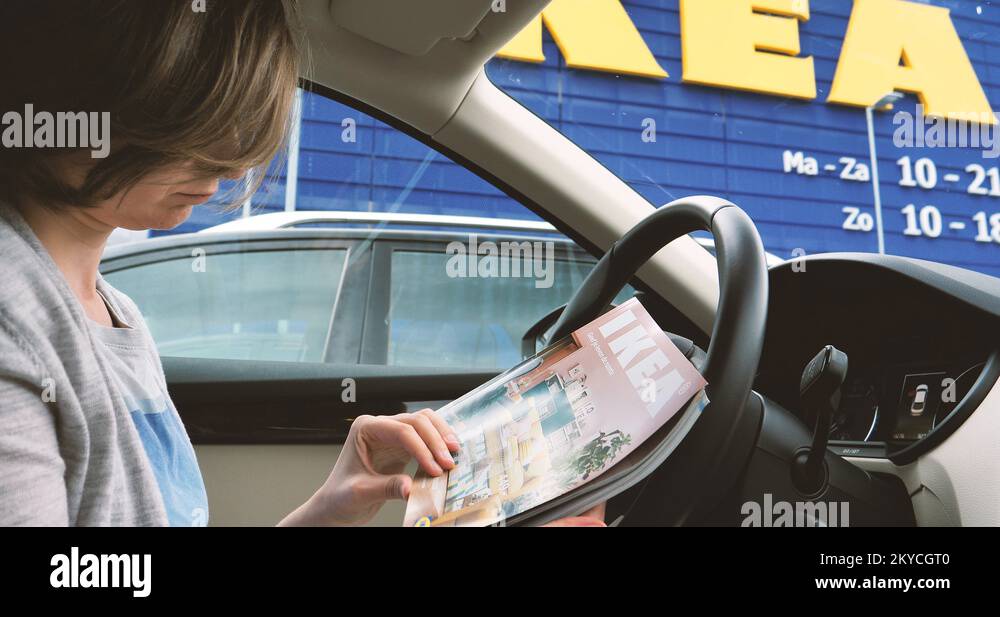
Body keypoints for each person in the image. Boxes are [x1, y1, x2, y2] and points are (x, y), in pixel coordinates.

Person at [0, 0, 604, 527]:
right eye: (192, 125)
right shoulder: (16, 326)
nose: (233, 167)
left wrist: (328, 509)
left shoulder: (110, 311)